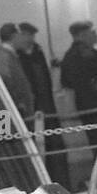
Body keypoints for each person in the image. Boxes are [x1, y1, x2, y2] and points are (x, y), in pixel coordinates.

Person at [17, 22, 70, 185]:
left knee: (54, 144)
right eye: (27, 35)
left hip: (45, 105)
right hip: (35, 108)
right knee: (40, 145)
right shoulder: (20, 56)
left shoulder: (36, 53)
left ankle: (60, 180)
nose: (30, 38)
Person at [59, 21, 97, 157]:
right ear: (82, 35)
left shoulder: (72, 56)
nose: (95, 35)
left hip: (92, 108)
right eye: (92, 32)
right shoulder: (85, 55)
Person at [0, 22, 34, 122]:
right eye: (21, 35)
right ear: (14, 36)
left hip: (15, 113)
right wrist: (20, 103)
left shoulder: (9, 56)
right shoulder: (3, 57)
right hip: (9, 114)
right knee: (9, 136)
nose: (23, 39)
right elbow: (5, 84)